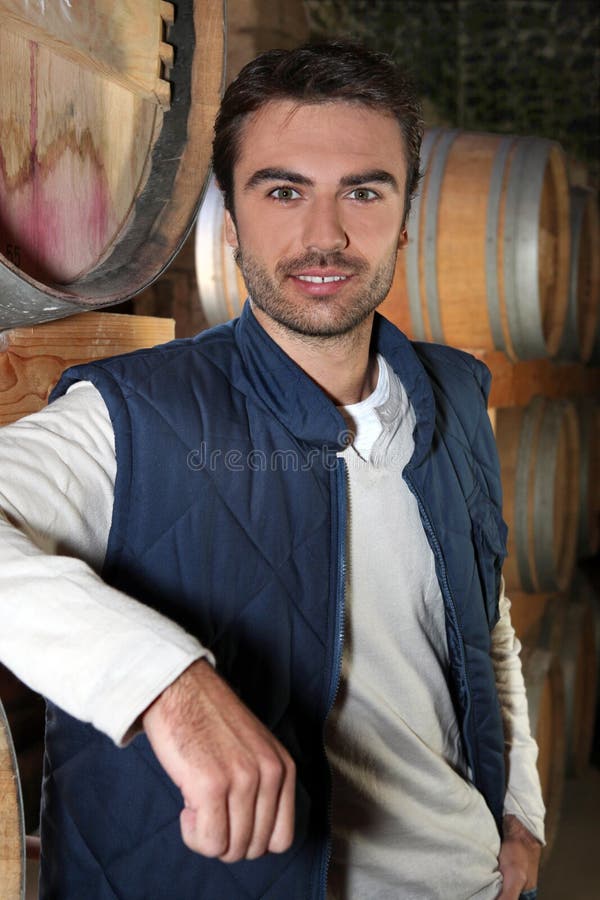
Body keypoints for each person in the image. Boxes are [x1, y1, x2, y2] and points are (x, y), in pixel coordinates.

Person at [0, 42, 544, 900]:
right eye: (283, 190)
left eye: (363, 191)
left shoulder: (453, 397)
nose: (323, 234)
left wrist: (521, 817)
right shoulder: (132, 413)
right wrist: (166, 686)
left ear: (406, 215)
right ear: (231, 216)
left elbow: (489, 627)